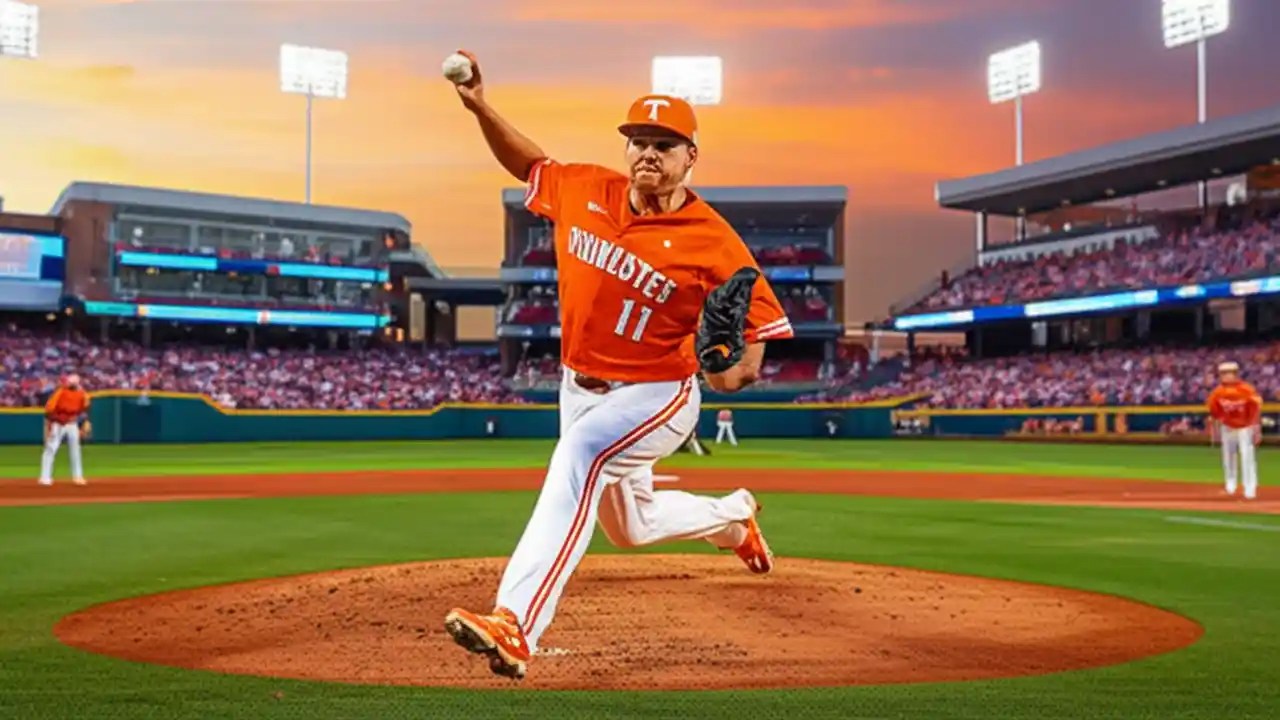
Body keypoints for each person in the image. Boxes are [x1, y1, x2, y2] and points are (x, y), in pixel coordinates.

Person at [441, 50, 793, 680]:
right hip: (578, 384)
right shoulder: (585, 189)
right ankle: (734, 519)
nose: (647, 154)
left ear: (691, 157)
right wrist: (479, 106)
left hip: (658, 391)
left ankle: (515, 621)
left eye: (665, 143)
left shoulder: (714, 240)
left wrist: (728, 371)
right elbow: (530, 163)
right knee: (631, 526)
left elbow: (754, 343)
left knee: (579, 456)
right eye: (638, 141)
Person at [1207, 361, 1262, 500]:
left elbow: (1255, 408)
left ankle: (1250, 489)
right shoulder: (1217, 392)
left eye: (1228, 373)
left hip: (1245, 426)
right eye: (1223, 373)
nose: (1225, 376)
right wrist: (1216, 425)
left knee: (1247, 457)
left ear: (1235, 374)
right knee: (1228, 457)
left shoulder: (1247, 389)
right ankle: (1230, 486)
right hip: (1228, 427)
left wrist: (1256, 428)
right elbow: (1214, 411)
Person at [39, 373, 90, 486]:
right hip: (58, 423)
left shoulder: (81, 394)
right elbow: (49, 409)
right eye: (70, 383)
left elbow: (85, 408)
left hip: (72, 423)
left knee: (75, 449)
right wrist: (51, 423)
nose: (71, 385)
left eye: (73, 383)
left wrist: (85, 422)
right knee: (51, 449)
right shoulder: (60, 392)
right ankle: (45, 477)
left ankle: (78, 476)